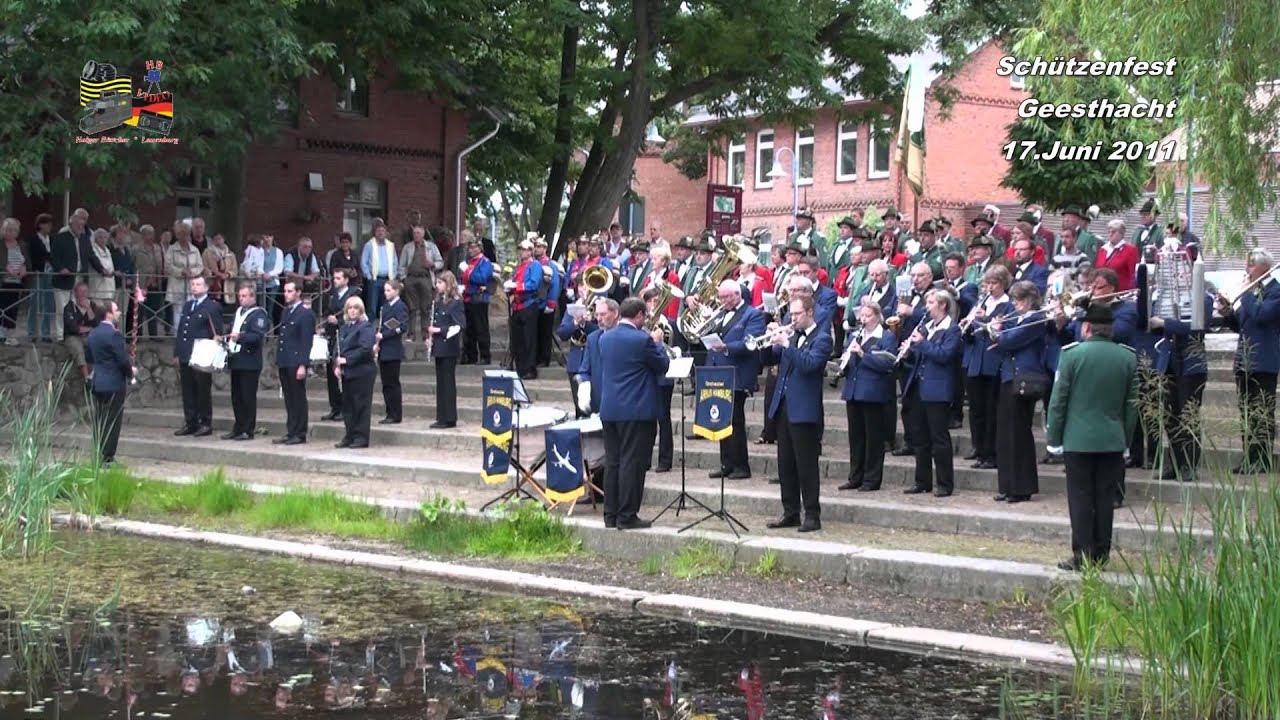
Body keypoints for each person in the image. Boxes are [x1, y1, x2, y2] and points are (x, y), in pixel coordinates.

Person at [1047, 302, 1138, 571]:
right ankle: (1101, 554)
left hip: (1078, 440)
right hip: (1112, 439)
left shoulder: (1072, 355)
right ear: (1110, 330)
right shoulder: (1128, 357)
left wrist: (1054, 438)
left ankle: (1082, 554)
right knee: (1104, 499)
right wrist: (1126, 439)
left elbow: (1058, 401)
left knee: (1081, 498)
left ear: (1086, 327)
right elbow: (1131, 406)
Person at [598, 297, 670, 530]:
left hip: (610, 409)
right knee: (632, 462)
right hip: (636, 409)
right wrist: (657, 343)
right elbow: (663, 365)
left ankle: (610, 514)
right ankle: (627, 515)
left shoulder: (605, 337)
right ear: (639, 315)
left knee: (613, 462)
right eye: (644, 317)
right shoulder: (642, 339)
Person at [763, 296, 832, 532]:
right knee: (786, 465)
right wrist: (772, 342)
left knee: (806, 465)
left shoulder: (822, 338)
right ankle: (790, 512)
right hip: (784, 407)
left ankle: (812, 515)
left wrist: (787, 345)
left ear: (810, 312)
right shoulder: (791, 337)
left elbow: (810, 365)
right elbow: (772, 360)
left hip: (804, 409)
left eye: (796, 314)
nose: (792, 319)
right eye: (790, 314)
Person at [1218, 247, 1280, 474]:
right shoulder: (1252, 293)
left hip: (1264, 361)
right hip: (1244, 359)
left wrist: (1244, 293)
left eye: (1251, 264)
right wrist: (1228, 314)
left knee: (1262, 413)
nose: (1247, 269)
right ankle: (1249, 457)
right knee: (1246, 413)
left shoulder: (1276, 291)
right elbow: (1243, 324)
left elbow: (1262, 316)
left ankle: (1262, 460)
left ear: (1265, 266)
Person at [989, 281, 1048, 503]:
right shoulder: (1019, 319)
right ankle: (1006, 485)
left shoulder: (1035, 319)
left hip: (1024, 377)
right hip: (1008, 376)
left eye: (1019, 300)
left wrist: (997, 331)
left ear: (1030, 299)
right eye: (1014, 300)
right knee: (1005, 433)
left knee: (1019, 433)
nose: (1015, 304)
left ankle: (1021, 487)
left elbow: (1010, 341)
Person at [900, 290, 962, 497]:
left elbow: (944, 355)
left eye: (931, 302)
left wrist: (922, 343)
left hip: (938, 389)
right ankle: (922, 481)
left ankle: (945, 483)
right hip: (919, 386)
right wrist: (908, 351)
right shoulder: (927, 327)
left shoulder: (951, 329)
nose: (927, 306)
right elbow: (920, 357)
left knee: (939, 438)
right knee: (920, 437)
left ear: (943, 305)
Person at [704, 280, 767, 480]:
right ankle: (727, 463)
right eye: (720, 297)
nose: (723, 301)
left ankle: (741, 465)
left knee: (736, 421)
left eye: (726, 297)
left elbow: (751, 342)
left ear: (737, 295)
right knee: (722, 420)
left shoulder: (752, 314)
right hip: (717, 371)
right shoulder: (720, 313)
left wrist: (727, 347)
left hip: (737, 374)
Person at [838, 302, 897, 492]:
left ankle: (872, 479)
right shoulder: (855, 335)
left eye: (868, 316)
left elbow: (886, 364)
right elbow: (848, 360)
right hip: (854, 391)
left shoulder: (886, 337)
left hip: (873, 393)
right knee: (856, 438)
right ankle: (855, 476)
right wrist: (843, 362)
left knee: (873, 438)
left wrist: (863, 354)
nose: (863, 320)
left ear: (877, 316)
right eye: (861, 316)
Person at [961, 266, 1012, 469]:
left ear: (1003, 284)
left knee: (991, 409)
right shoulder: (979, 303)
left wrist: (984, 320)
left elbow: (1004, 332)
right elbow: (969, 337)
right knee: (976, 409)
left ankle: (991, 453)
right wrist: (967, 325)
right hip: (975, 362)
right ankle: (978, 448)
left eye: (994, 283)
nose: (989, 287)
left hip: (993, 362)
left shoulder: (1007, 306)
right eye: (987, 283)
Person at [173, 277, 223, 437]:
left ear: (206, 287)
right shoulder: (188, 305)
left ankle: (205, 422)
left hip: (202, 353)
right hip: (187, 352)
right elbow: (181, 330)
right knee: (187, 389)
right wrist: (177, 352)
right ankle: (191, 421)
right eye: (193, 284)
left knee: (202, 389)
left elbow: (216, 330)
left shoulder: (212, 306)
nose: (194, 287)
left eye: (198, 284)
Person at [86, 300, 133, 464]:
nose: (119, 312)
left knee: (100, 419)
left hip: (98, 381)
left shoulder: (92, 334)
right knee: (113, 421)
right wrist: (130, 373)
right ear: (108, 314)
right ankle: (108, 458)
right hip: (113, 383)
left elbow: (89, 358)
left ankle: (98, 452)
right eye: (116, 310)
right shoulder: (114, 334)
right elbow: (122, 360)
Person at [223, 286, 269, 441]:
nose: (241, 298)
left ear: (253, 297)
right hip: (236, 359)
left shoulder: (258, 314)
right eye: (240, 295)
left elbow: (257, 336)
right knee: (236, 397)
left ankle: (248, 429)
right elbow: (231, 329)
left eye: (244, 296)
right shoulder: (238, 312)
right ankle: (238, 426)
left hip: (249, 361)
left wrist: (240, 337)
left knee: (247, 397)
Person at [275, 281, 315, 445]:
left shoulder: (305, 314)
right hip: (285, 360)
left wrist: (302, 364)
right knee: (289, 398)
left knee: (298, 398)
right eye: (285, 291)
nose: (286, 294)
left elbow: (306, 341)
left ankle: (299, 432)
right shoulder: (286, 312)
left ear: (298, 292)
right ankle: (291, 430)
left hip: (296, 360)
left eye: (290, 291)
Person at [641, 285, 676, 472]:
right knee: (647, 419)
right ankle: (645, 458)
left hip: (663, 376)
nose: (654, 305)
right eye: (651, 301)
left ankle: (665, 460)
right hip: (646, 376)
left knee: (664, 418)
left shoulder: (669, 323)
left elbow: (674, 349)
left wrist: (660, 344)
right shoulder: (641, 325)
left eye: (657, 301)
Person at [335, 296, 376, 449]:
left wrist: (347, 360)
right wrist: (336, 365)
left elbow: (365, 348)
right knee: (348, 406)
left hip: (362, 371)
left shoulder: (365, 327)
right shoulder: (345, 328)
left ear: (361, 310)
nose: (352, 311)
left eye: (355, 308)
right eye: (350, 308)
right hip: (347, 372)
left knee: (361, 405)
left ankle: (361, 437)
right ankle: (349, 434)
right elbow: (337, 348)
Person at [557, 274, 598, 419]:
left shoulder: (600, 306)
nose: (584, 289)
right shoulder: (574, 307)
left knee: (594, 407)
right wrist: (575, 323)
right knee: (579, 407)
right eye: (581, 286)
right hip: (576, 361)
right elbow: (562, 334)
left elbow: (602, 333)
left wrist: (587, 323)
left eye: (588, 286)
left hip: (594, 361)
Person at [428, 272, 466, 428]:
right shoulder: (438, 302)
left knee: (448, 382)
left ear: (448, 284)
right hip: (439, 347)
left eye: (440, 282)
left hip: (449, 347)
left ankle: (449, 417)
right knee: (441, 383)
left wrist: (439, 331)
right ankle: (441, 416)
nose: (437, 286)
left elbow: (459, 325)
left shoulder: (456, 303)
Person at [321, 268, 356, 422]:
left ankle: (344, 407)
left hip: (345, 338)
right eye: (334, 278)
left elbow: (355, 318)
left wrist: (339, 321)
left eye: (338, 278)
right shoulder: (333, 296)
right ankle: (334, 407)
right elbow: (328, 313)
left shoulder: (352, 296)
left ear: (346, 280)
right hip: (332, 337)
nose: (335, 281)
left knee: (341, 374)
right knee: (331, 374)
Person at [399, 225, 443, 341]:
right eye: (414, 233)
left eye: (418, 233)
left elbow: (440, 262)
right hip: (411, 279)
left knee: (426, 307)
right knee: (411, 308)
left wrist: (432, 265)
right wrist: (404, 279)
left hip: (426, 278)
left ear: (423, 234)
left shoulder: (431, 247)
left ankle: (425, 333)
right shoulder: (407, 247)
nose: (416, 235)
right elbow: (402, 265)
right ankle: (411, 333)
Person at [507, 239, 543, 379]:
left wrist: (516, 286)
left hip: (528, 304)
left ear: (531, 251)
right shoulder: (519, 266)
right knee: (518, 339)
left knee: (529, 339)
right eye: (521, 249)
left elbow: (533, 284)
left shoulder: (535, 266)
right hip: (517, 306)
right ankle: (520, 367)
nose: (522, 252)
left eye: (525, 249)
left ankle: (529, 369)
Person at [375, 280, 408, 425]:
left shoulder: (400, 306)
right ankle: (390, 412)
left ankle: (395, 413)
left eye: (389, 290)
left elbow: (402, 325)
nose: (386, 293)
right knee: (386, 383)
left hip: (393, 349)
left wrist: (385, 334)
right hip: (384, 349)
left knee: (392, 383)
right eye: (385, 290)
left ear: (396, 291)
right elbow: (386, 324)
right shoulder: (386, 306)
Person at [460, 239, 494, 365]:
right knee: (469, 329)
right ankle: (470, 355)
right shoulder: (470, 262)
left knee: (481, 328)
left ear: (480, 248)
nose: (471, 250)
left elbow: (481, 278)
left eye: (474, 247)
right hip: (468, 297)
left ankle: (485, 356)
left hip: (479, 298)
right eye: (470, 248)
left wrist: (468, 271)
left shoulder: (485, 262)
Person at [63, 282, 98, 380]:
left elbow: (96, 323)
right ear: (75, 293)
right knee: (78, 349)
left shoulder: (92, 305)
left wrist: (88, 309)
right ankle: (87, 378)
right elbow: (74, 328)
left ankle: (96, 373)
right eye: (80, 291)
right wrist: (89, 328)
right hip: (72, 336)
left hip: (88, 336)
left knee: (98, 344)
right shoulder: (69, 307)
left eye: (85, 291)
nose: (83, 294)